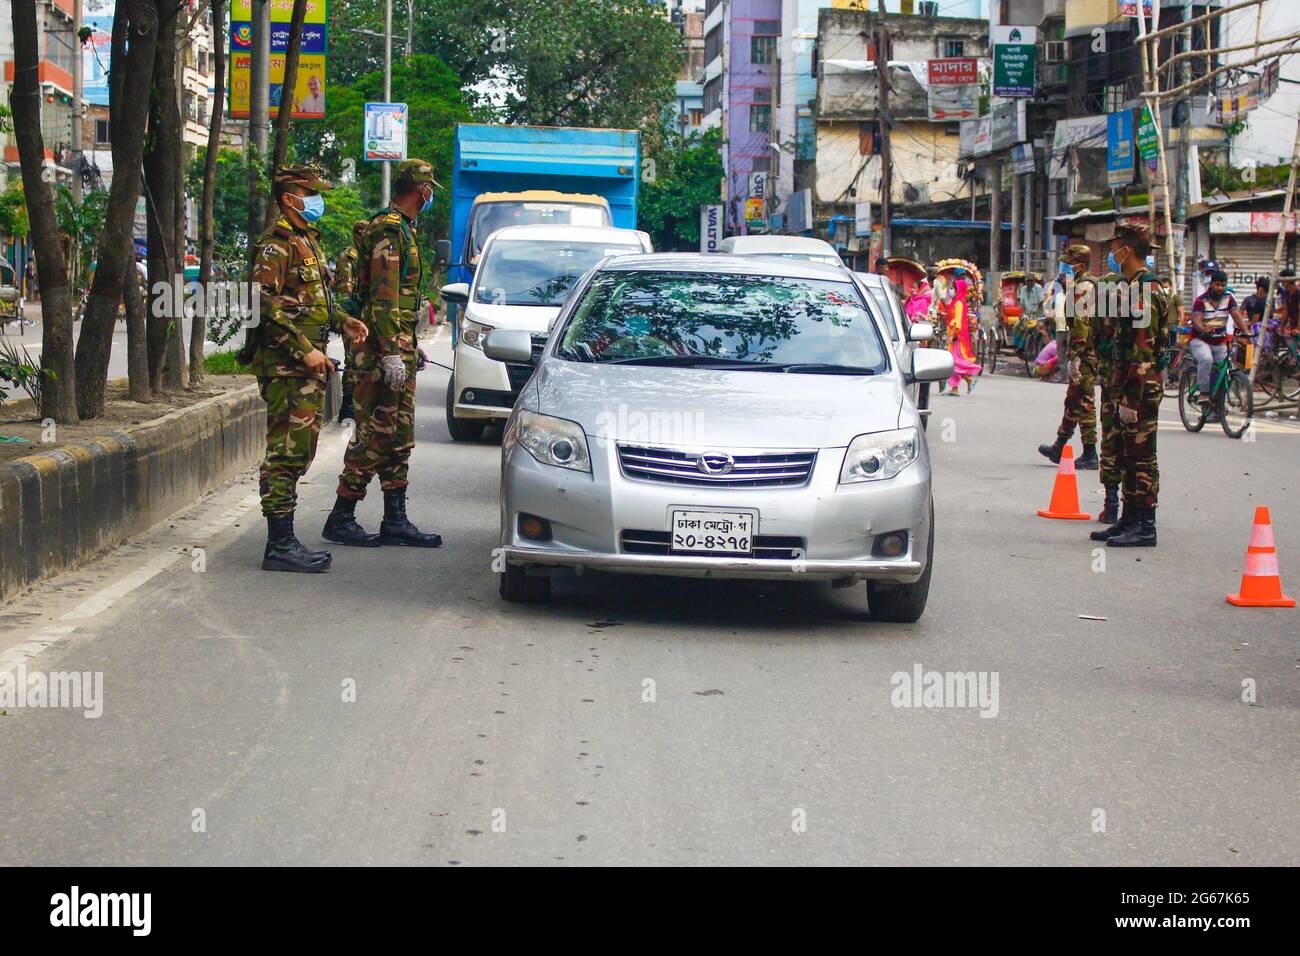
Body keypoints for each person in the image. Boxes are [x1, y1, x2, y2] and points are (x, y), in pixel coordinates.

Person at [244, 164, 367, 573]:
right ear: (288, 198)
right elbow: (263, 303)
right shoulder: (277, 244)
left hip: (303, 366)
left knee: (301, 451)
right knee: (285, 453)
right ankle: (279, 545)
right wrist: (303, 351)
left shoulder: (305, 240)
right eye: (310, 192)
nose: (317, 199)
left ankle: (285, 540)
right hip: (285, 366)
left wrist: (341, 322)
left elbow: (310, 303)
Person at [324, 159, 443, 549]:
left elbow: (399, 304)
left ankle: (395, 518)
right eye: (429, 190)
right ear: (421, 190)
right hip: (378, 357)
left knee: (399, 435)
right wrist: (392, 351)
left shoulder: (404, 230)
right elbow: (383, 298)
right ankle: (341, 517)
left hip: (396, 350)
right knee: (374, 435)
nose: (429, 197)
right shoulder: (390, 231)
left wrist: (410, 344)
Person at [1090, 222, 1169, 548]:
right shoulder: (1132, 286)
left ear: (1129, 249)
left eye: (1116, 245)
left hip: (1140, 387)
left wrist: (1130, 397)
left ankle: (1145, 526)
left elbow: (1144, 350)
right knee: (1127, 454)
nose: (1113, 251)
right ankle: (1129, 518)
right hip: (1128, 385)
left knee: (1141, 457)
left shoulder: (1146, 291)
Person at [1038, 244, 1099, 469]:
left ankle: (1090, 452)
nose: (1067, 267)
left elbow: (1082, 325)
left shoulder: (1083, 286)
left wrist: (1077, 356)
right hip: (1087, 352)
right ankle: (1059, 446)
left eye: (1070, 263)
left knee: (1084, 402)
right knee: (1073, 401)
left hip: (1085, 354)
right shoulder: (1090, 284)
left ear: (1080, 264)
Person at [1188, 269, 1248, 419]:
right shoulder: (1201, 300)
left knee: (1223, 371)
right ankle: (1203, 393)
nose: (1220, 288)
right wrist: (1203, 328)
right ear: (1211, 284)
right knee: (1206, 359)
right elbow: (1196, 319)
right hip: (1200, 340)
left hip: (1219, 341)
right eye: (1217, 284)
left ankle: (1216, 406)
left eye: (1223, 285)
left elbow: (1235, 314)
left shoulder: (1229, 299)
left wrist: (1246, 330)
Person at [332, 220, 368, 424]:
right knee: (352, 360)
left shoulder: (368, 256)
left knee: (361, 360)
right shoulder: (350, 257)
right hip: (351, 315)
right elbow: (346, 289)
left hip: (361, 315)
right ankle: (347, 407)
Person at [941, 269, 981, 394]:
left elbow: (957, 321)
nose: (952, 290)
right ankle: (955, 388)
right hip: (957, 336)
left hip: (957, 337)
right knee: (954, 363)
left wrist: (952, 335)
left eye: (955, 288)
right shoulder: (959, 301)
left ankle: (968, 380)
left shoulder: (958, 302)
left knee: (954, 363)